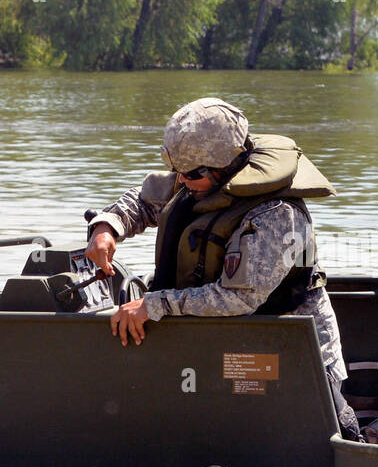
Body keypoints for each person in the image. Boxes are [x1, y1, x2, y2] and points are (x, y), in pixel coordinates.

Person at [85, 96, 362, 441]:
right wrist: (107, 226)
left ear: (222, 167)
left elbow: (236, 299)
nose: (181, 181)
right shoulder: (198, 178)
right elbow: (143, 200)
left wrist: (154, 305)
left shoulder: (276, 214)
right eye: (179, 173)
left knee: (328, 433)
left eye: (190, 175)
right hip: (218, 340)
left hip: (293, 350)